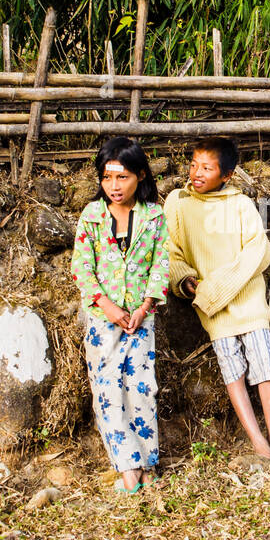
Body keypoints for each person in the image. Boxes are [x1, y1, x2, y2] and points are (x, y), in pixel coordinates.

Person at [165, 136, 270, 462]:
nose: (197, 173)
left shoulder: (240, 204)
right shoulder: (178, 203)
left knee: (264, 366)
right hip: (211, 307)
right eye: (193, 165)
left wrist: (219, 287)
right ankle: (257, 440)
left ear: (227, 175)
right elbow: (172, 252)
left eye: (207, 168)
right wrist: (184, 279)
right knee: (232, 370)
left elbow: (258, 251)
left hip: (246, 298)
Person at [71, 137, 171, 495]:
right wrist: (109, 308)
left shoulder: (154, 216)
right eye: (108, 177)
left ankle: (147, 464)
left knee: (142, 389)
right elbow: (82, 268)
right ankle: (127, 467)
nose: (114, 186)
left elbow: (161, 265)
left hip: (141, 321)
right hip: (103, 320)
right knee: (108, 389)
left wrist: (145, 307)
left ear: (140, 176)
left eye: (123, 177)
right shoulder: (92, 216)